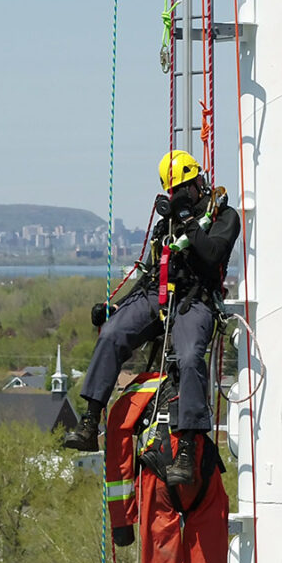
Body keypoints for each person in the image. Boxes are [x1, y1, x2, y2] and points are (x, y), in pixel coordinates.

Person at [62, 149, 240, 486]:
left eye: (185, 188)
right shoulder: (167, 224)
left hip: (195, 300)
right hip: (158, 295)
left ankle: (186, 447)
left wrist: (189, 221)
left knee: (189, 358)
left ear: (199, 182)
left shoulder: (223, 216)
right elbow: (149, 274)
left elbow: (212, 254)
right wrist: (116, 308)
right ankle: (89, 421)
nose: (180, 195)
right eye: (175, 191)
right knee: (113, 333)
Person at [102, 370, 229, 563]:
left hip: (158, 476)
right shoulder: (199, 372)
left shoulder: (140, 390)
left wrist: (121, 520)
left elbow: (118, 443)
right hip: (204, 469)